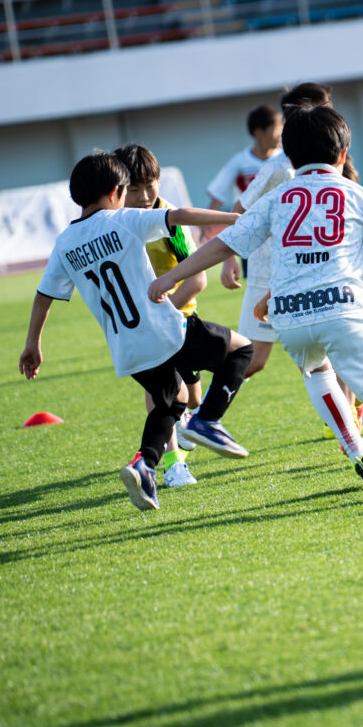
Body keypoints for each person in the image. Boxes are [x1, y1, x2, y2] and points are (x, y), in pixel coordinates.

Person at [151, 106, 363, 493]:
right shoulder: (354, 193)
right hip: (343, 307)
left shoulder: (277, 198)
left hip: (290, 316)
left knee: (317, 373)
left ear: (290, 158)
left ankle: (357, 450)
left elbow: (225, 244)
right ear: (343, 156)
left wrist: (172, 276)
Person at [20, 151, 253, 512]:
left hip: (125, 349)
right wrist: (233, 218)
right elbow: (179, 216)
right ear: (116, 191)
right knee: (241, 350)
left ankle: (144, 466)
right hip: (164, 329)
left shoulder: (65, 243)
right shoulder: (124, 220)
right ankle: (207, 421)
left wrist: (32, 343)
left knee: (171, 402)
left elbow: (43, 296)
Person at [115, 142, 207, 488]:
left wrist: (167, 312)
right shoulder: (115, 225)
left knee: (191, 398)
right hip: (143, 328)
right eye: (133, 189)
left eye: (149, 185)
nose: (143, 196)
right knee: (162, 392)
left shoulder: (170, 220)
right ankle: (172, 465)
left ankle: (181, 429)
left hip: (180, 319)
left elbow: (197, 279)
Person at [204, 104, 283, 230]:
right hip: (249, 227)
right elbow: (219, 193)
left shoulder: (284, 159)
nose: (280, 134)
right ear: (258, 133)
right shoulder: (240, 161)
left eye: (281, 129)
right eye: (275, 129)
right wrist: (205, 224)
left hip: (279, 224)